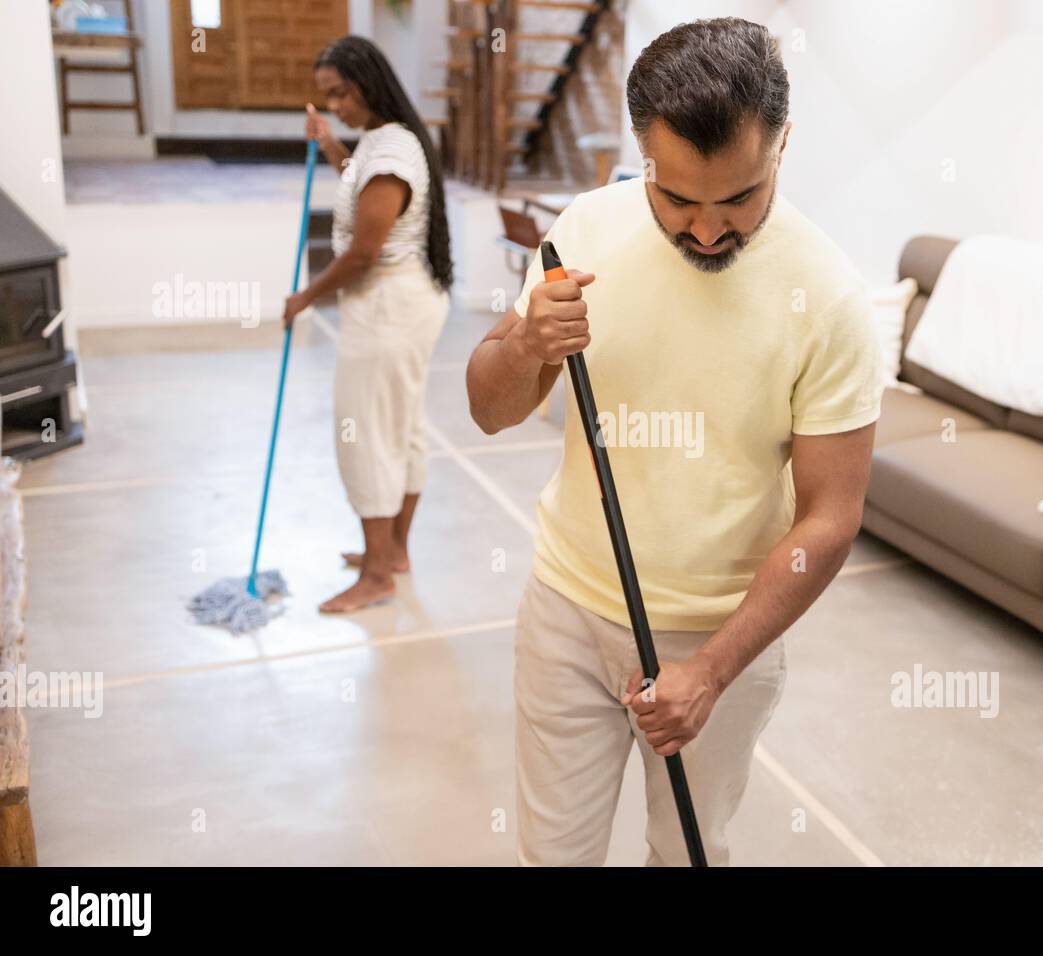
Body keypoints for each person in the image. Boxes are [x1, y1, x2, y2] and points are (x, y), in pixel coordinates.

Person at [466, 17, 883, 865]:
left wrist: (715, 671)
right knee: (552, 856)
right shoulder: (581, 232)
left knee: (688, 853)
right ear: (642, 156)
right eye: (677, 200)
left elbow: (830, 519)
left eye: (739, 199)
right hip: (568, 608)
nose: (704, 231)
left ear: (783, 146)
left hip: (718, 633)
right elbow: (487, 408)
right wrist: (523, 346)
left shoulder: (829, 297)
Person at [283, 36, 453, 614]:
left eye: (340, 95)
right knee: (399, 428)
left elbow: (363, 251)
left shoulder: (390, 151)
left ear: (367, 83)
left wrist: (304, 297)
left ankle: (377, 574)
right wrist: (331, 145)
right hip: (402, 305)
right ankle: (394, 553)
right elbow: (362, 185)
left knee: (367, 435)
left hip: (387, 308)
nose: (335, 106)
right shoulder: (386, 142)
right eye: (327, 98)